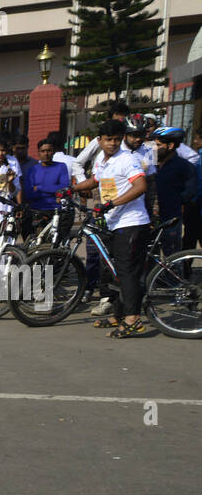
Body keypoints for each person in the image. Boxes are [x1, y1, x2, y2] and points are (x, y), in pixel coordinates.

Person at [71, 120, 150, 338]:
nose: (113, 143)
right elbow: (96, 181)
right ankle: (118, 314)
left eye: (117, 139)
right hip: (115, 223)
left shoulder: (127, 159)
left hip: (132, 222)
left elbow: (140, 186)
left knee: (126, 272)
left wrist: (112, 204)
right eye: (108, 139)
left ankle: (133, 319)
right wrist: (72, 189)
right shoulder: (102, 160)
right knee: (115, 272)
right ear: (100, 140)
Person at [149, 126, 196, 257]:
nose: (154, 148)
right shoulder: (149, 164)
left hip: (171, 220)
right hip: (149, 220)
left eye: (158, 145)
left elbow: (190, 192)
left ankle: (177, 278)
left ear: (170, 145)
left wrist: (175, 202)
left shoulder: (184, 166)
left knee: (173, 258)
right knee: (149, 257)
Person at [21, 138, 69, 212]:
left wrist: (39, 187)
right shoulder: (32, 170)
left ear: (53, 152)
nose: (46, 154)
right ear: (38, 153)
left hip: (56, 209)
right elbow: (28, 194)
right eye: (43, 151)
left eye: (49, 151)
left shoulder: (61, 167)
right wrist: (54, 193)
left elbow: (64, 187)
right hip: (36, 210)